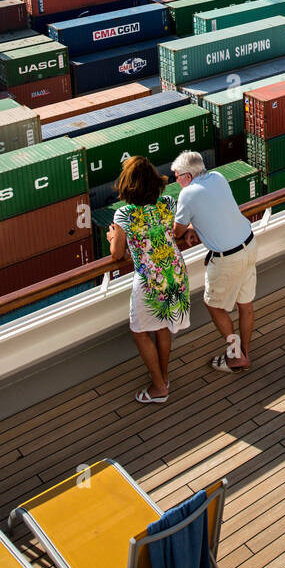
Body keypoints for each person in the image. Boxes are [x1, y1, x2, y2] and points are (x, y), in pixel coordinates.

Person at [107, 155, 190, 405]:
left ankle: (158, 387)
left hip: (150, 280)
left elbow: (117, 255)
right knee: (163, 327)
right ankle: (163, 376)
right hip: (174, 274)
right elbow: (175, 231)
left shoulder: (124, 215)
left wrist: (113, 236)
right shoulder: (167, 202)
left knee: (140, 331)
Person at [171, 150, 257, 373]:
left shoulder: (187, 194)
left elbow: (175, 231)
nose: (176, 180)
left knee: (213, 305)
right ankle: (244, 352)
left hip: (227, 258)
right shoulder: (218, 178)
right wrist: (194, 227)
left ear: (188, 176)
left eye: (177, 176)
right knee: (245, 305)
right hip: (249, 244)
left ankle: (236, 356)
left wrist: (187, 229)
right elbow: (214, 210)